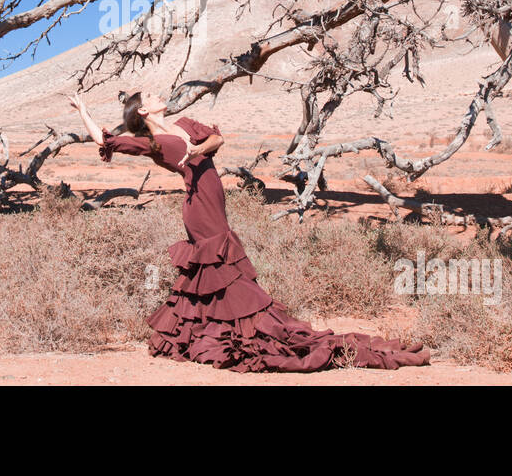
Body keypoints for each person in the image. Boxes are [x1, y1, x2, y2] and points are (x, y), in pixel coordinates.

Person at [69, 89, 431, 373]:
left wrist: (196, 147)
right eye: (149, 98)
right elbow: (104, 142)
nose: (156, 97)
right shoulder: (151, 143)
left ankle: (219, 326)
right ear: (144, 112)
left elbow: (216, 141)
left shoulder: (185, 124)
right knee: (221, 268)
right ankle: (239, 330)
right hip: (198, 210)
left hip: (214, 200)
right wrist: (84, 111)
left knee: (223, 268)